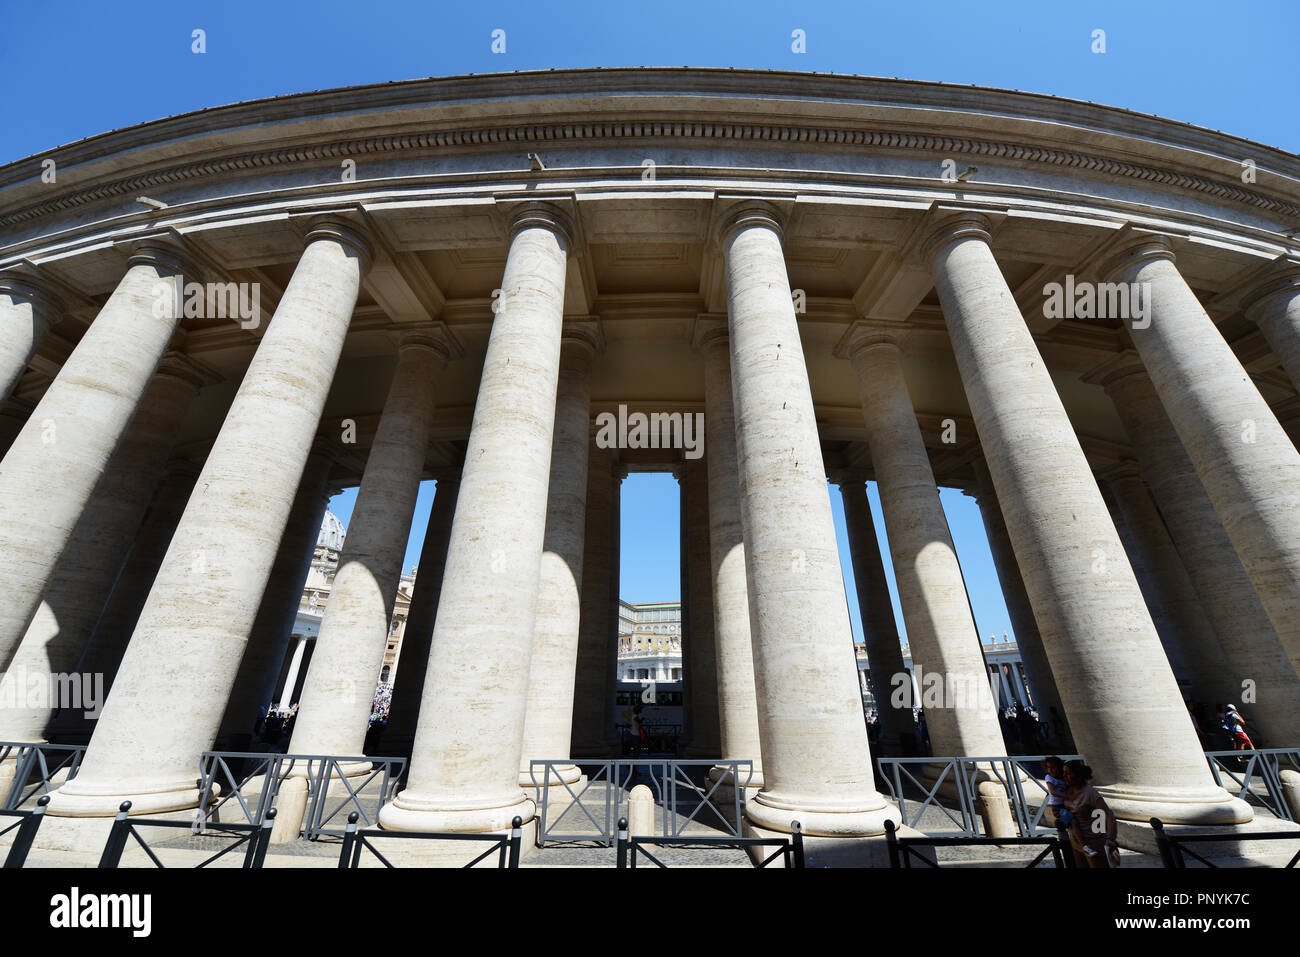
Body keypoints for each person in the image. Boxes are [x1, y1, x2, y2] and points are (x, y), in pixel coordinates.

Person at [1062, 759, 1119, 868]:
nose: (1064, 776)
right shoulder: (1068, 791)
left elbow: (1108, 814)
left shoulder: (1090, 793)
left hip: (1093, 843)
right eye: (1064, 773)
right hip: (1077, 842)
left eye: (1068, 773)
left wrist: (1110, 839)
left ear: (1079, 775)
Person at [1042, 755, 1070, 826]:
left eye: (1053, 768)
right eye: (1048, 768)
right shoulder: (1049, 778)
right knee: (1070, 821)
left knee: (1070, 823)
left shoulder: (1063, 777)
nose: (1051, 770)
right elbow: (1052, 792)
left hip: (1067, 803)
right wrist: (1067, 797)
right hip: (1057, 806)